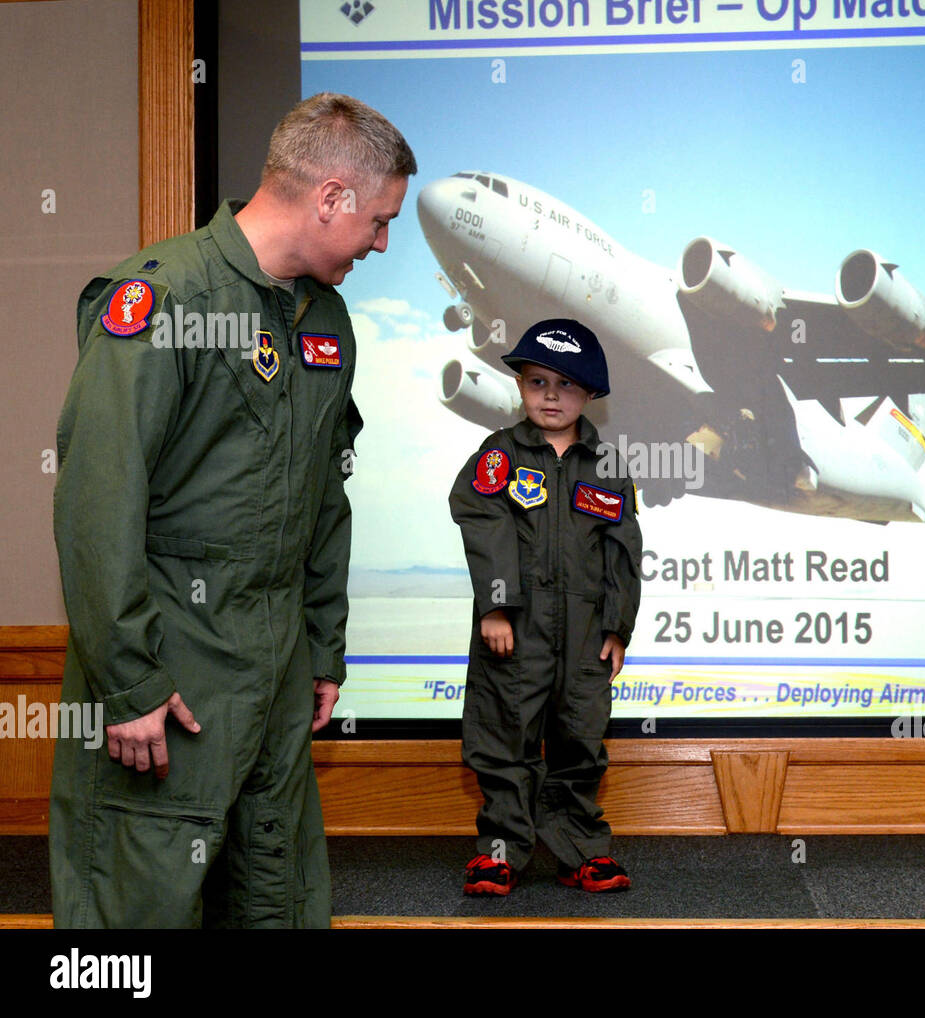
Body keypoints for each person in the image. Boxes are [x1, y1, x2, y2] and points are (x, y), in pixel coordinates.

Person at [49, 92, 416, 928]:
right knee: (135, 910)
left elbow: (326, 497)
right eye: (379, 221)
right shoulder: (162, 298)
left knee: (275, 896)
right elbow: (97, 501)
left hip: (279, 676)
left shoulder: (324, 319)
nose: (382, 243)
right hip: (170, 671)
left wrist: (323, 648)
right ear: (329, 197)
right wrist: (130, 679)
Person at [448, 318, 642, 895]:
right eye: (537, 382)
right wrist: (496, 607)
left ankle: (582, 850)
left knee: (579, 742)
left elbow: (623, 550)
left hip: (584, 635)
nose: (550, 396)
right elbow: (483, 525)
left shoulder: (607, 468)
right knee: (504, 737)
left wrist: (616, 627)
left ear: (590, 394)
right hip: (516, 629)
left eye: (565, 384)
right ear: (521, 387)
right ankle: (500, 851)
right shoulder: (499, 456)